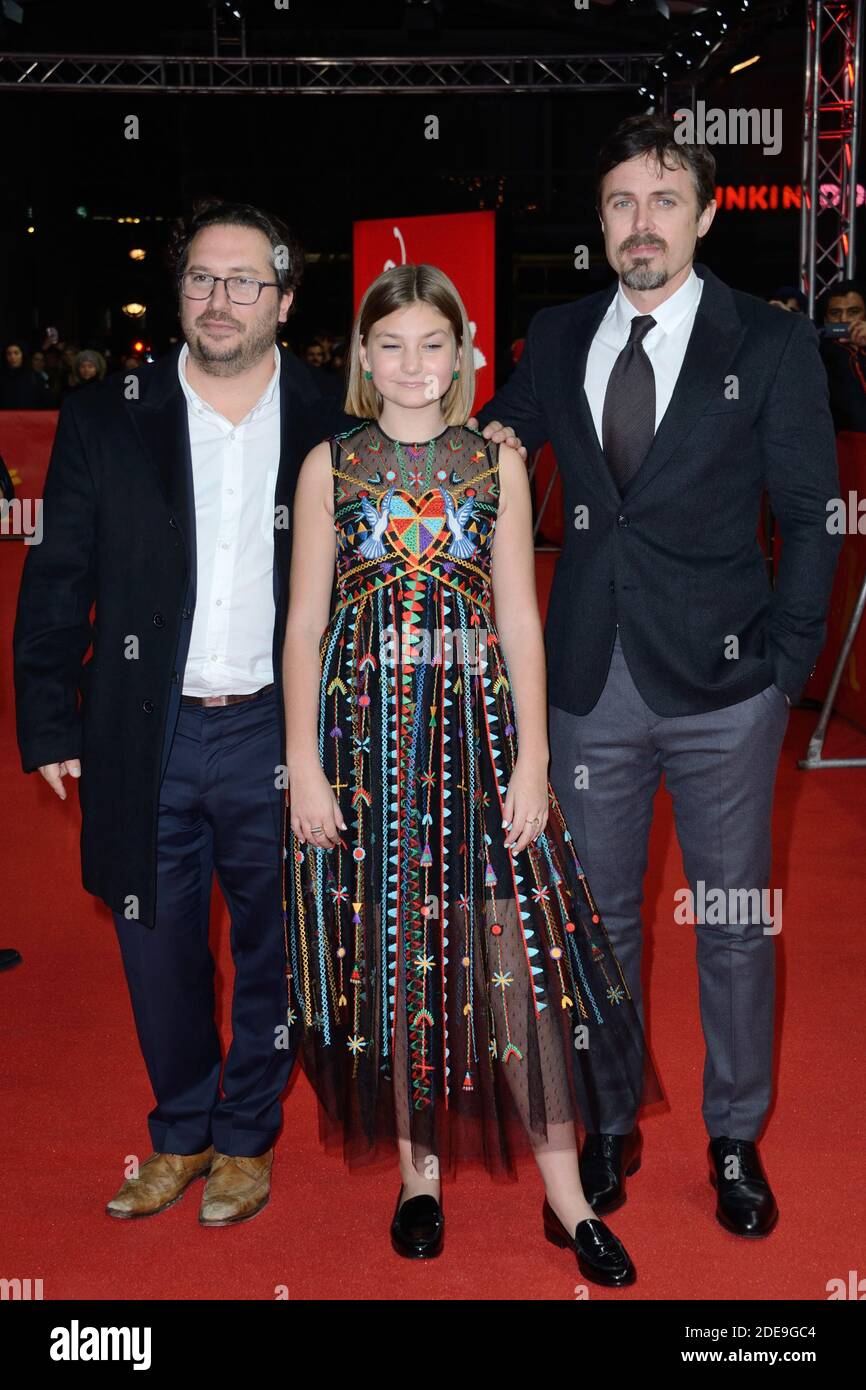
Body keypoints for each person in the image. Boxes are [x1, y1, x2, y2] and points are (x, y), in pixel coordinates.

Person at [472, 113, 842, 1238]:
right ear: (600, 222)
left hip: (728, 690)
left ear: (705, 214)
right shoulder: (555, 331)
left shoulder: (769, 343)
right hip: (588, 683)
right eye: (621, 203)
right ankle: (608, 1119)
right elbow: (493, 431)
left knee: (731, 919)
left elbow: (809, 521)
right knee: (599, 926)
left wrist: (783, 670)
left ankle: (733, 1135)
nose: (641, 223)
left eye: (663, 201)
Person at [282, 262, 663, 1287]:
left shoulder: (493, 467)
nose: (412, 365)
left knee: (516, 959)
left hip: (480, 741)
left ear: (463, 356)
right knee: (395, 958)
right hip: (364, 751)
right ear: (363, 355)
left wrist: (534, 758)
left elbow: (520, 620)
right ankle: (418, 1176)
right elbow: (305, 622)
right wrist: (303, 766)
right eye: (391, 345)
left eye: (431, 345)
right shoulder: (328, 466)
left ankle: (566, 1194)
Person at [13, 199, 353, 1228]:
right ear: (179, 291)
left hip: (277, 732)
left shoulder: (335, 419)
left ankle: (245, 1137)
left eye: (245, 280)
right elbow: (57, 575)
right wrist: (50, 722)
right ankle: (179, 1131)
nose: (220, 298)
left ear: (284, 300)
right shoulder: (106, 413)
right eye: (203, 277)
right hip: (141, 732)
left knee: (277, 949)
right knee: (151, 942)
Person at [817, 279, 866, 433]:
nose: (844, 319)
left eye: (853, 312)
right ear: (826, 320)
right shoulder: (818, 351)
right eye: (835, 313)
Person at [0, 342, 51, 409]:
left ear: (22, 355)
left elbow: (46, 403)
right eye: (9, 353)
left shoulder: (35, 377)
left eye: (16, 353)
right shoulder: (2, 377)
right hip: (6, 418)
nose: (12, 357)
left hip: (30, 418)